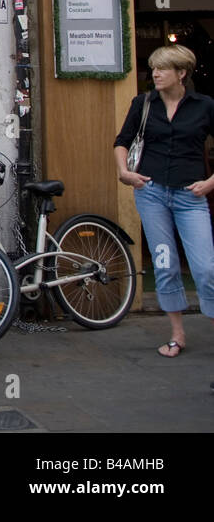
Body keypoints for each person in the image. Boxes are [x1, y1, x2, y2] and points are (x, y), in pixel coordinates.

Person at [114, 44, 214, 359]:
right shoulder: (144, 104)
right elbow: (122, 142)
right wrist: (124, 172)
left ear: (181, 73)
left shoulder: (205, 106)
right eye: (154, 68)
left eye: (163, 68)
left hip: (190, 196)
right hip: (151, 193)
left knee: (206, 269)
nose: (155, 73)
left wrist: (211, 183)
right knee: (165, 264)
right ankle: (177, 334)